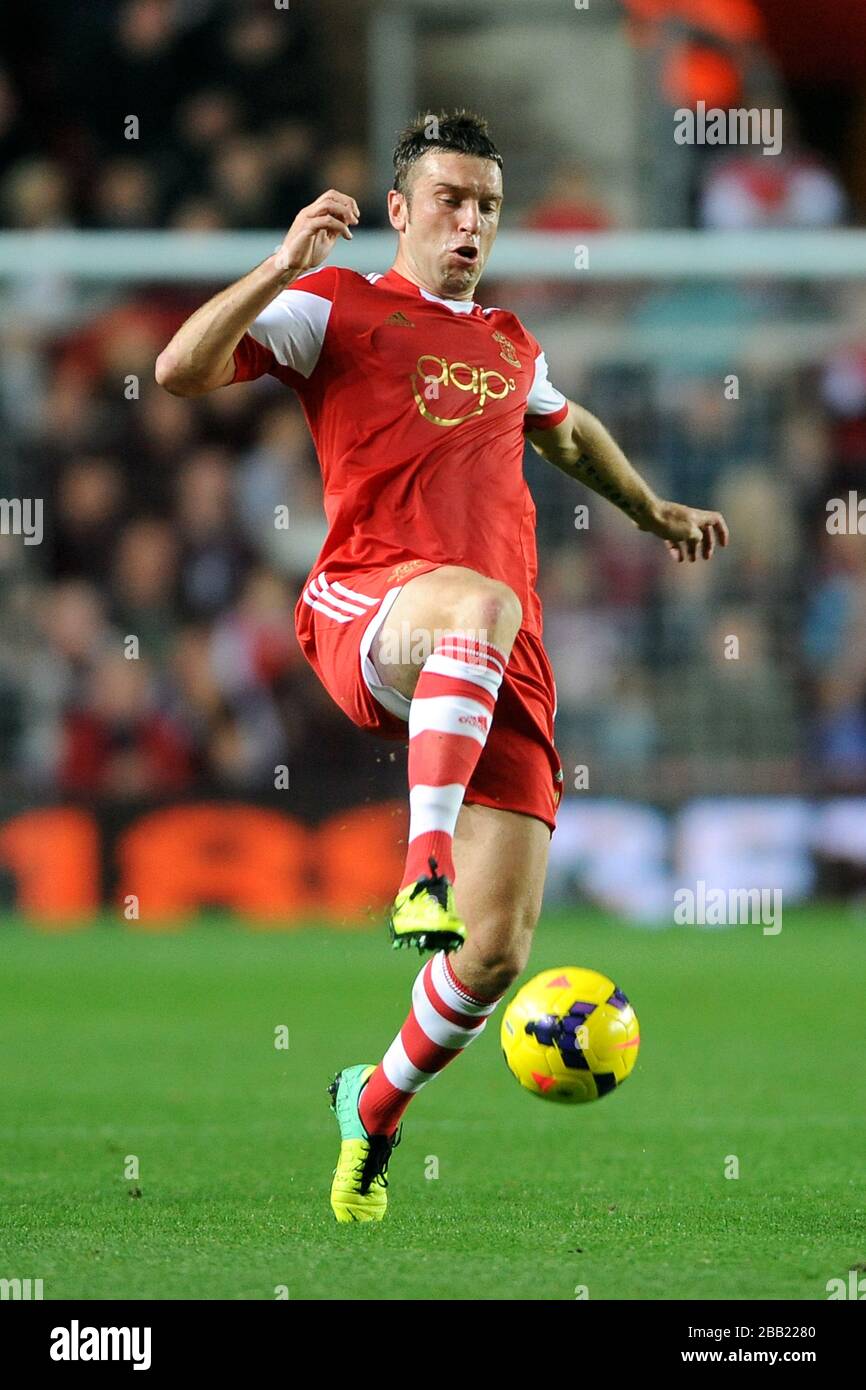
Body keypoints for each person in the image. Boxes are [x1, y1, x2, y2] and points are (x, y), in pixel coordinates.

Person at [155, 110, 729, 1223]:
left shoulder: (511, 343)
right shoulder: (338, 308)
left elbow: (565, 434)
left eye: (487, 207)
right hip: (369, 602)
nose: (470, 223)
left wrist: (651, 508)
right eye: (451, 201)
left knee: (495, 952)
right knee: (479, 600)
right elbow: (180, 370)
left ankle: (370, 1102)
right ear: (403, 209)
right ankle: (416, 867)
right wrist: (279, 263)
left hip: (493, 656)